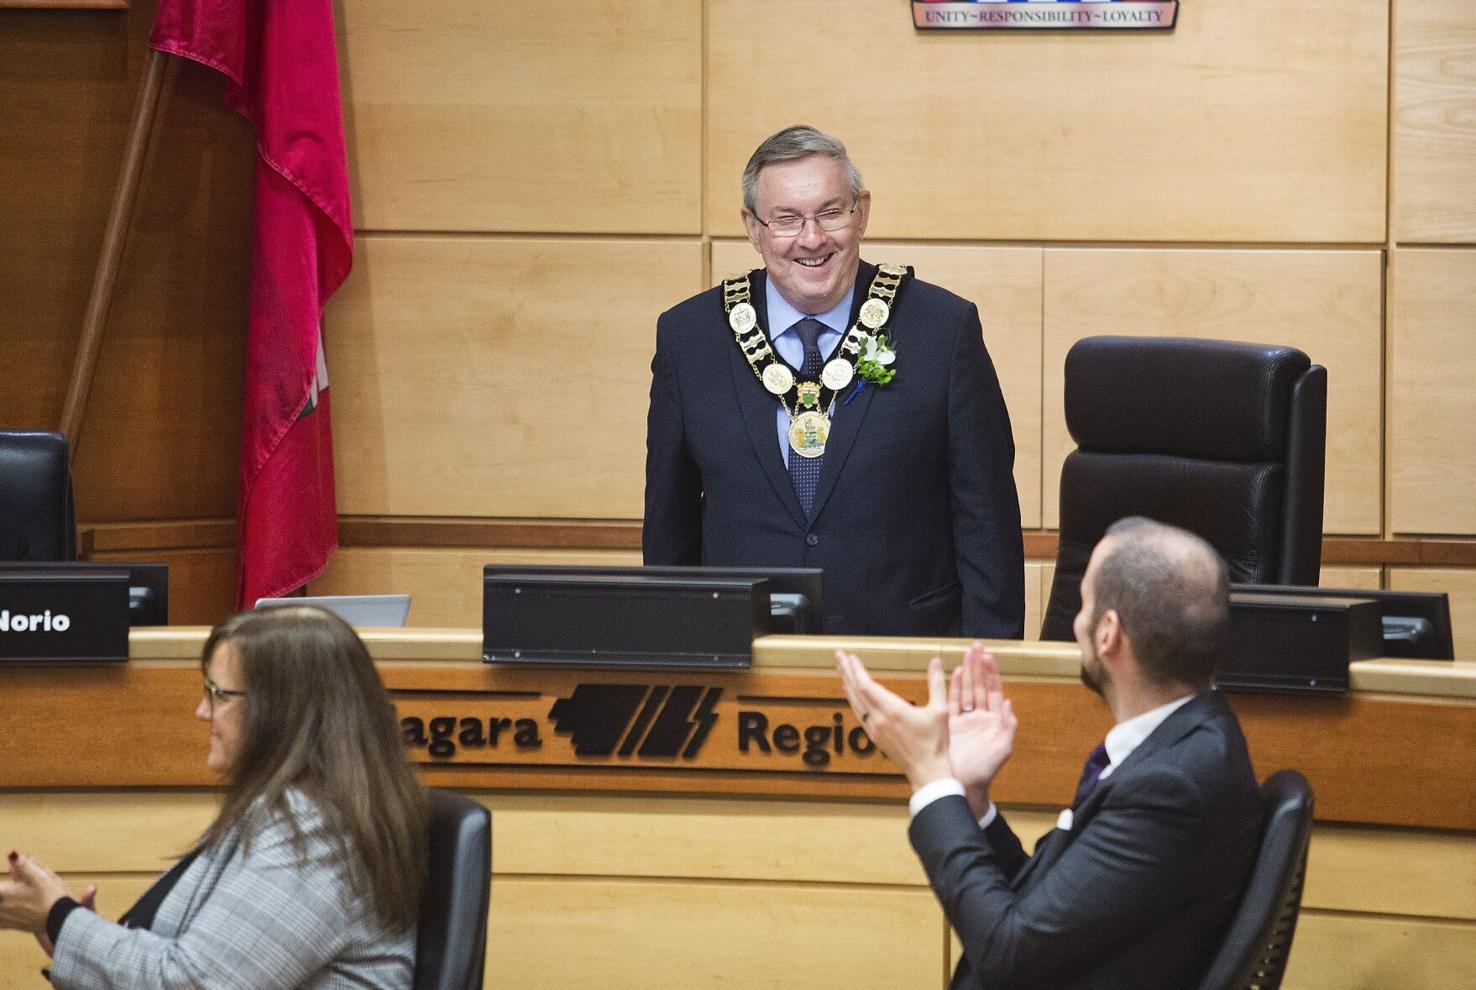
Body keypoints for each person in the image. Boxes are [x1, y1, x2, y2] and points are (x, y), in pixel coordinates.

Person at [837, 517, 1264, 989]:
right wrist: (971, 799)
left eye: (1083, 604)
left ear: (1108, 633)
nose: (1075, 622)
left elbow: (1009, 955)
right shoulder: (1186, 745)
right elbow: (1048, 918)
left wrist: (931, 777)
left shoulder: (1171, 785)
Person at [644, 124, 1024, 637]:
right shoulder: (691, 338)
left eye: (830, 212)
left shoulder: (942, 330)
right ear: (753, 228)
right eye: (786, 219)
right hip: (741, 653)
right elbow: (669, 529)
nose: (812, 238)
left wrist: (990, 662)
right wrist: (672, 656)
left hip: (906, 653)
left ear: (861, 212)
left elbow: (988, 524)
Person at [0, 606, 429, 989]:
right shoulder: (292, 812)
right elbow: (198, 957)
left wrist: (60, 917)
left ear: (282, 711)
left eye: (218, 694)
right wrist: (77, 938)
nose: (202, 711)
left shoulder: (316, 832)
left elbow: (194, 983)